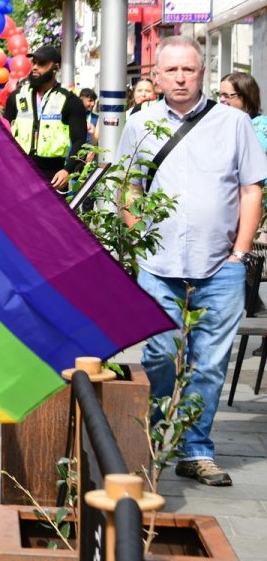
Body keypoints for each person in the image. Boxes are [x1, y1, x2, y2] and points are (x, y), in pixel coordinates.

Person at [119, 36, 267, 487]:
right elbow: (129, 186)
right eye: (172, 71)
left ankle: (195, 450)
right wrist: (136, 232)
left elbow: (250, 188)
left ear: (202, 72)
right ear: (157, 75)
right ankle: (155, 434)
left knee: (207, 364)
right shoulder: (140, 124)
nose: (181, 78)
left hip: (220, 266)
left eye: (189, 69)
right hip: (159, 264)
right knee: (161, 353)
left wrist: (240, 253)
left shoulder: (234, 123)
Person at [1, 44, 86, 191]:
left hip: (53, 175)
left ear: (55, 67)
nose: (35, 67)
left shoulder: (70, 101)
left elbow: (79, 140)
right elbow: (2, 134)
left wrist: (67, 170)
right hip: (17, 172)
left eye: (42, 64)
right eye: (34, 62)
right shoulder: (16, 97)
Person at [219, 72, 267, 154]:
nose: (221, 99)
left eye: (226, 95)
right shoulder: (224, 123)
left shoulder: (261, 127)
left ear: (245, 97)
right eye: (219, 95)